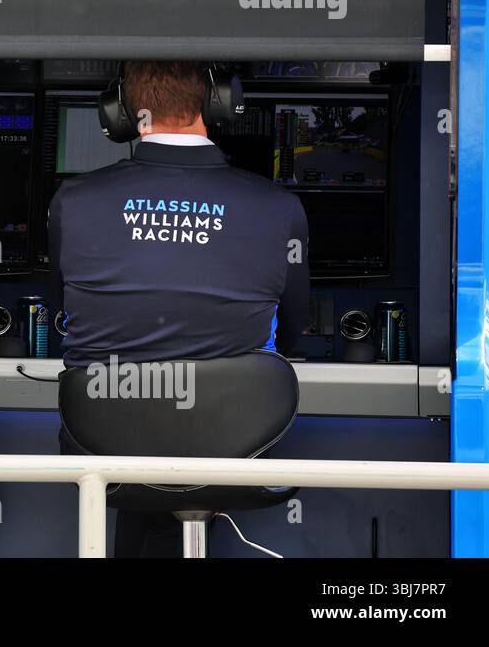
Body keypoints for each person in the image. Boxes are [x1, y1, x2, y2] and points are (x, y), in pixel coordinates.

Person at [48, 60, 309, 557]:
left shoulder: (73, 200)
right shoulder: (278, 206)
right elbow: (292, 334)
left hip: (103, 432)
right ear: (217, 103)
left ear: (121, 112)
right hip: (234, 436)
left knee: (138, 461)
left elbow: (67, 311)